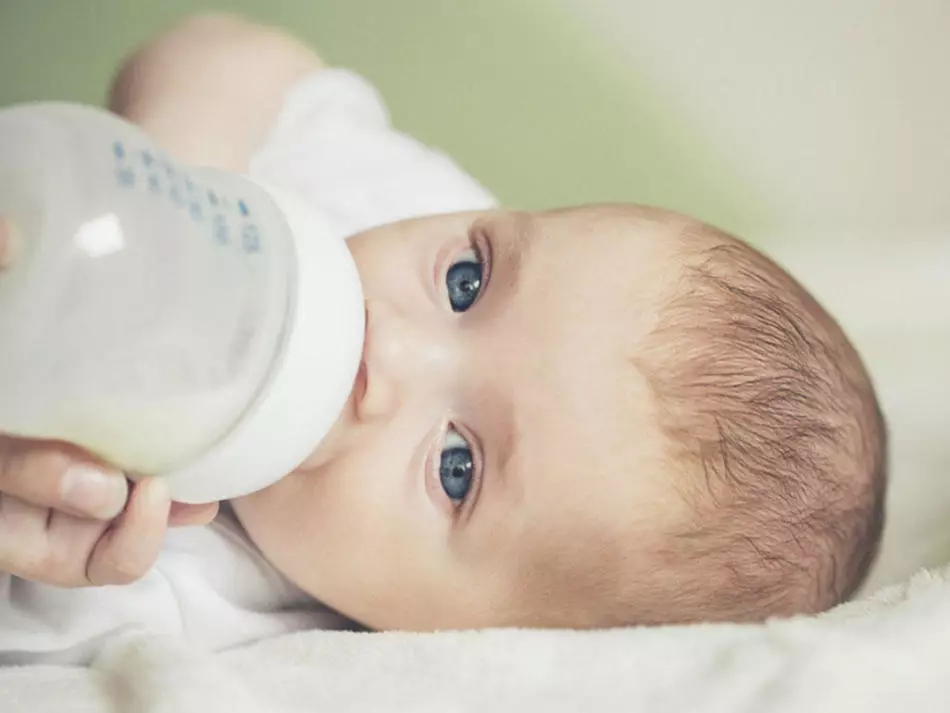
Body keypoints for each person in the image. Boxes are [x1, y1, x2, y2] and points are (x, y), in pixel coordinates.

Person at [0, 14, 886, 665]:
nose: (386, 352)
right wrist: (176, 167)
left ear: (458, 634)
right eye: (468, 281)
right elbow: (234, 52)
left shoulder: (178, 600)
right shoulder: (385, 196)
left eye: (456, 466)